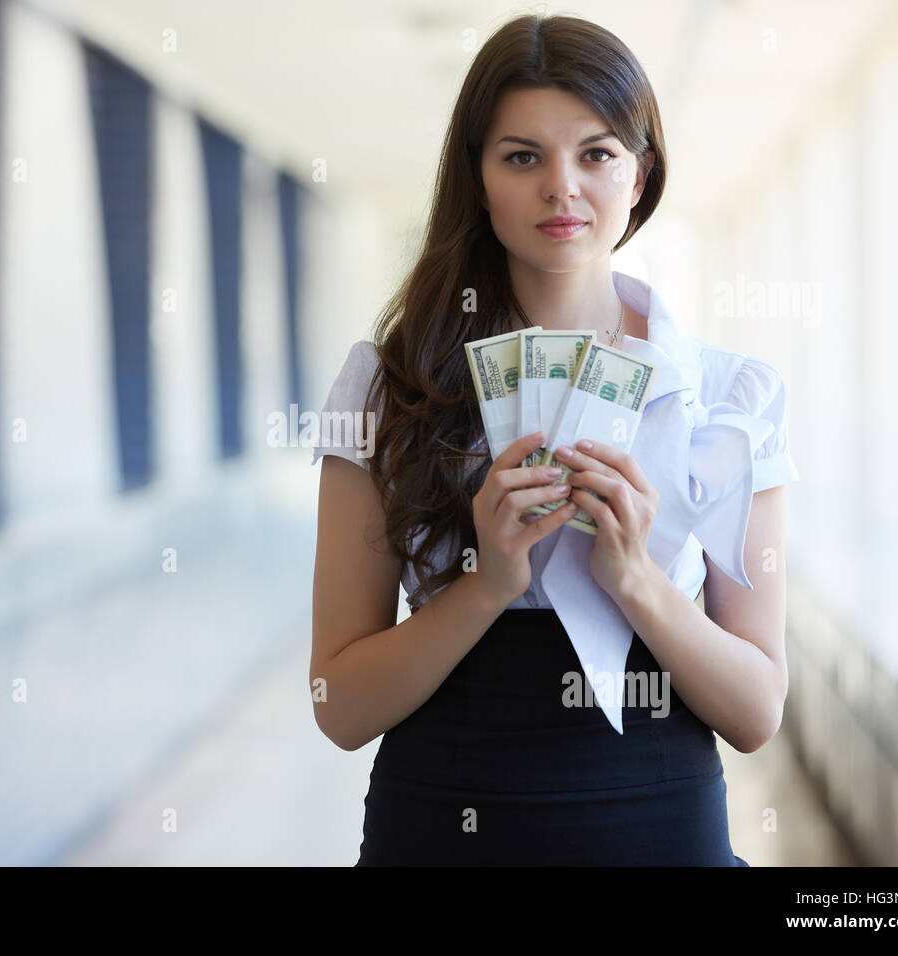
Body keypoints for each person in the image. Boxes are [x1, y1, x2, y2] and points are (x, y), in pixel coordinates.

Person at [309, 13, 799, 866]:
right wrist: (486, 585)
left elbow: (757, 714)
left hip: (661, 829)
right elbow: (338, 707)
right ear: (479, 178)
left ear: (642, 175)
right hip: (441, 828)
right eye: (522, 156)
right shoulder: (389, 388)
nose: (561, 188)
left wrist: (639, 580)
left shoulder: (731, 399)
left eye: (597, 154)